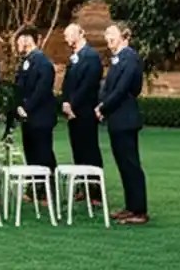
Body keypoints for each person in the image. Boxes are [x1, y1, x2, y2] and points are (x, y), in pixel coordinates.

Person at [97, 22, 148, 225]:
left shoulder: (130, 58)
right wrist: (102, 105)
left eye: (111, 34)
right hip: (117, 119)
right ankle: (131, 206)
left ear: (124, 36)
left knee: (131, 165)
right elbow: (108, 86)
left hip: (126, 119)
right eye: (106, 33)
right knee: (123, 165)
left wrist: (102, 108)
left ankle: (140, 211)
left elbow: (121, 89)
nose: (107, 37)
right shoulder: (117, 59)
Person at [60, 22, 104, 199]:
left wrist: (73, 104)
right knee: (77, 149)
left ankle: (95, 192)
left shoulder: (91, 56)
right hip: (72, 113)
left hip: (85, 110)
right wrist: (64, 102)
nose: (66, 38)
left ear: (80, 34)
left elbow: (89, 84)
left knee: (89, 149)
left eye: (68, 34)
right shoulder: (74, 57)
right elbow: (67, 83)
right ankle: (82, 187)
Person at [14, 25, 57, 176]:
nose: (17, 45)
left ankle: (48, 189)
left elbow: (42, 89)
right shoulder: (25, 61)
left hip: (41, 117)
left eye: (18, 41)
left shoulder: (43, 62)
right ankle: (34, 187)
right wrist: (18, 105)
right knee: (30, 154)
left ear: (26, 40)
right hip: (28, 118)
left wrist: (27, 107)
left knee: (43, 154)